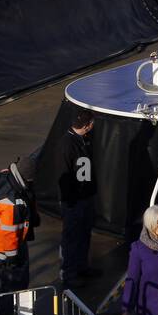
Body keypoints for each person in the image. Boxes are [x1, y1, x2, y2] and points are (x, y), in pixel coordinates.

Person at [0, 155, 40, 315]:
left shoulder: (7, 177)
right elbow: (9, 234)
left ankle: (12, 314)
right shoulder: (12, 203)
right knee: (11, 286)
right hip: (6, 251)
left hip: (1, 242)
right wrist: (12, 259)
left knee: (11, 284)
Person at [57, 110, 99, 289]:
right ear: (87, 124)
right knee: (71, 237)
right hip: (74, 200)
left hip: (86, 196)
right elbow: (63, 175)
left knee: (84, 233)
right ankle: (68, 274)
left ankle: (82, 266)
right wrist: (70, 199)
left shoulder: (84, 140)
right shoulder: (67, 143)